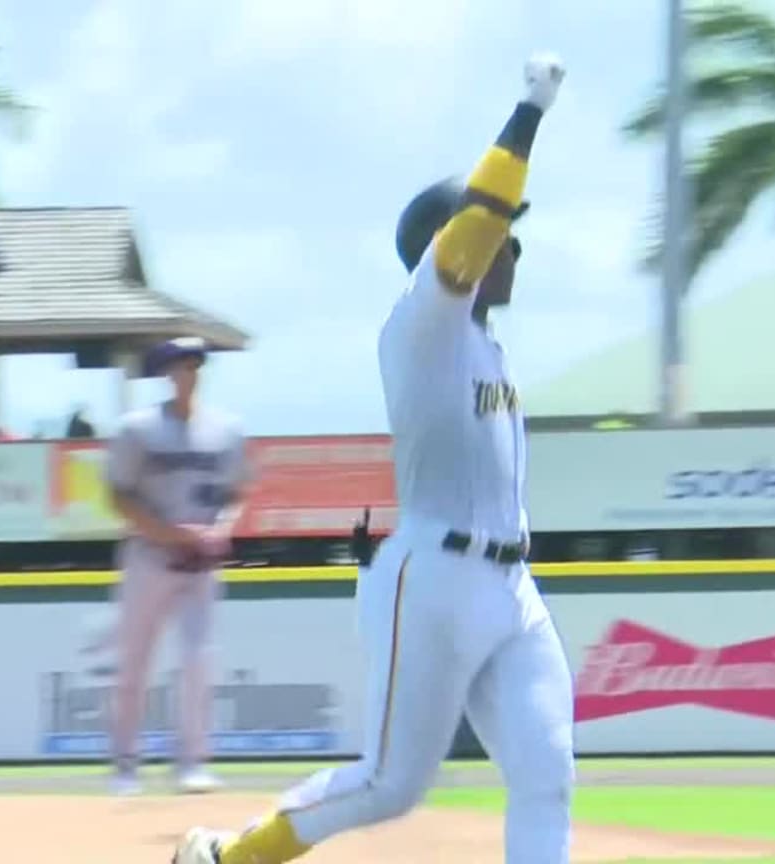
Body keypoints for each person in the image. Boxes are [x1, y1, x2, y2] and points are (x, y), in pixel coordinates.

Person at [170, 51, 574, 864]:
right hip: (437, 579)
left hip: (512, 586)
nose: (514, 251)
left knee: (546, 773)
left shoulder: (486, 349)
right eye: (503, 238)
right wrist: (530, 109)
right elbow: (477, 225)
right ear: (445, 249)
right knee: (392, 783)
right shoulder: (423, 325)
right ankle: (226, 858)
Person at [104, 336, 249, 796]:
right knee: (133, 664)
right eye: (180, 365)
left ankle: (191, 763)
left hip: (200, 564)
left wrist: (221, 528)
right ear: (166, 373)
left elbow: (236, 495)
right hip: (148, 558)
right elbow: (117, 495)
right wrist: (169, 534)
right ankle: (126, 765)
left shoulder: (226, 430)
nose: (188, 372)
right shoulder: (138, 429)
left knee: (198, 661)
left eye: (194, 365)